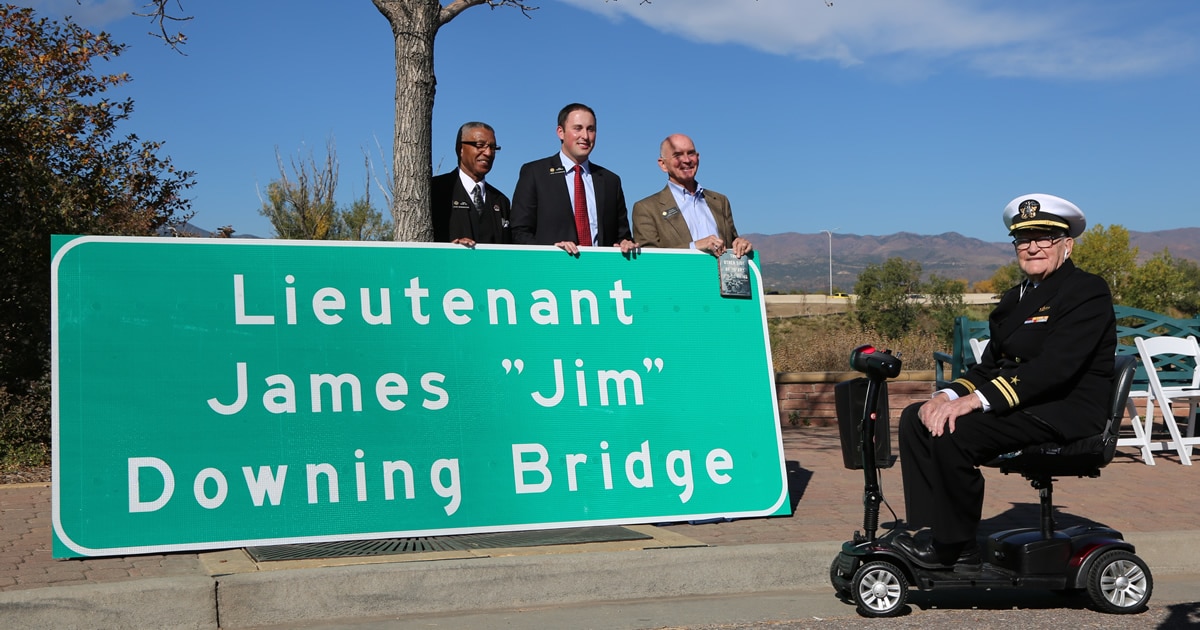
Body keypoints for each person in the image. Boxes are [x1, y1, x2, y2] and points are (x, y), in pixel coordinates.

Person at [895, 193, 1116, 573]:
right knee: (918, 417)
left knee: (954, 432)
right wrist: (946, 394)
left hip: (1064, 409)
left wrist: (974, 402)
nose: (1032, 248)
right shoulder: (1015, 299)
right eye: (1023, 240)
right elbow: (990, 365)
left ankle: (956, 547)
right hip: (1026, 402)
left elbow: (1054, 369)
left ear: (1067, 244)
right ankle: (934, 530)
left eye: (1044, 237)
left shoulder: (1086, 291)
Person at [510, 103, 636, 255]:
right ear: (560, 132)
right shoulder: (534, 173)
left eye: (591, 129)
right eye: (578, 128)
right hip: (552, 271)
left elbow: (622, 234)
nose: (585, 136)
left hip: (600, 273)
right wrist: (551, 251)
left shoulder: (610, 181)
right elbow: (519, 232)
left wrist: (625, 243)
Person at [631, 134, 752, 258]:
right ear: (663, 164)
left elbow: (732, 243)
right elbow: (649, 259)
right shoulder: (646, 208)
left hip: (719, 277)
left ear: (698, 158)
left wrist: (740, 244)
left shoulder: (720, 201)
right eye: (677, 155)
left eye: (691, 153)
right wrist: (694, 247)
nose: (687, 160)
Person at [430, 122, 511, 245]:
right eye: (480, 145)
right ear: (460, 149)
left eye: (493, 147)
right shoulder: (435, 190)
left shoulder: (501, 201)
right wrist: (448, 249)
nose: (488, 153)